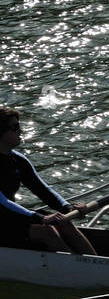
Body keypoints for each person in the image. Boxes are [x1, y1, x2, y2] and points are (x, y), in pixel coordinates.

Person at [0, 107, 96, 255]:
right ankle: (78, 273)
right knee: (47, 231)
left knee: (65, 223)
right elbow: (3, 202)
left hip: (9, 219)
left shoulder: (18, 160)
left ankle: (94, 263)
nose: (21, 131)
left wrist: (69, 209)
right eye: (15, 127)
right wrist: (40, 217)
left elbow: (43, 190)